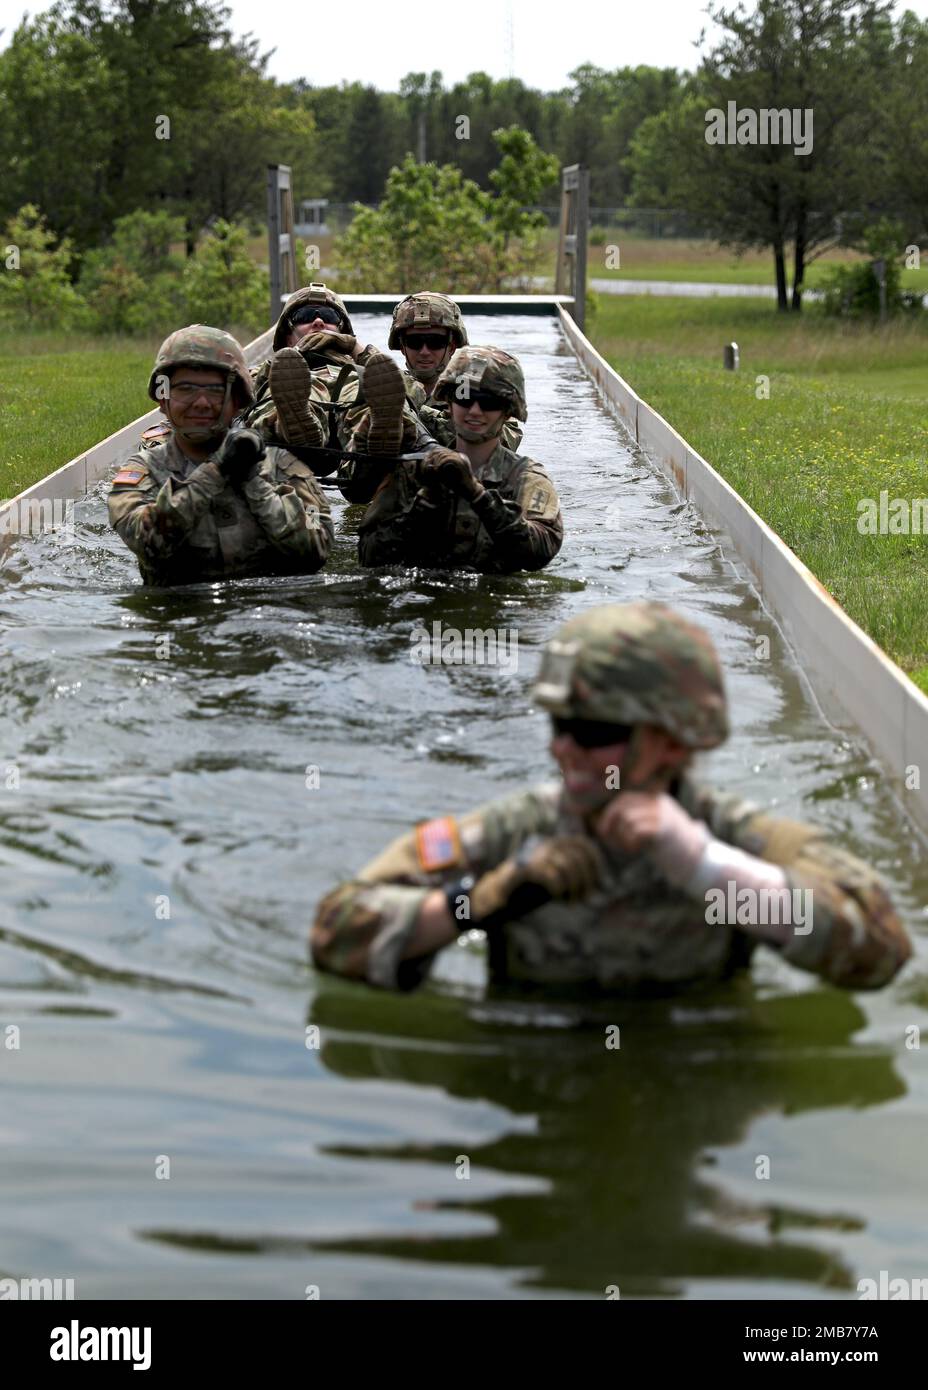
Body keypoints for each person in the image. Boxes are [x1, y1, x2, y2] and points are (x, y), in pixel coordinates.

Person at [310, 602, 912, 994]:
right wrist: (483, 900)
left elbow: (881, 949)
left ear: (673, 742)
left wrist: (704, 866)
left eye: (595, 733)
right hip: (529, 1082)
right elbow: (336, 931)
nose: (564, 751)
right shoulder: (512, 833)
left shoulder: (734, 838)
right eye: (558, 727)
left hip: (691, 1085)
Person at [108, 325, 333, 587]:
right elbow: (148, 542)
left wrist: (254, 481)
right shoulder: (141, 473)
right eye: (185, 389)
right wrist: (217, 470)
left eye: (215, 391)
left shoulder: (286, 467)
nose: (201, 403)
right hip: (183, 615)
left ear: (237, 401)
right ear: (163, 397)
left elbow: (317, 547)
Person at [356, 345, 562, 572]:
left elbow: (541, 551)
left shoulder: (527, 477)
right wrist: (426, 502)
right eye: (464, 396)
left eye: (489, 402)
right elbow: (370, 556)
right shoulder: (414, 471)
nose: (474, 410)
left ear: (508, 410)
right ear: (449, 402)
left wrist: (477, 495)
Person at [243, 283, 433, 504]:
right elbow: (244, 388)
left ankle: (371, 441)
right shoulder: (276, 370)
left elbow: (413, 392)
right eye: (304, 316)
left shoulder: (363, 371)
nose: (318, 321)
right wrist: (291, 356)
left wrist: (356, 349)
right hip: (295, 412)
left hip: (352, 387)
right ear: (286, 335)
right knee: (280, 401)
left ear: (343, 331)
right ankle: (297, 427)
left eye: (329, 315)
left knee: (372, 401)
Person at [388, 291, 522, 449]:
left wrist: (416, 407)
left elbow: (502, 443)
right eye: (414, 342)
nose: (424, 351)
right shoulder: (387, 388)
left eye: (435, 342)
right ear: (403, 347)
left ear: (451, 347)